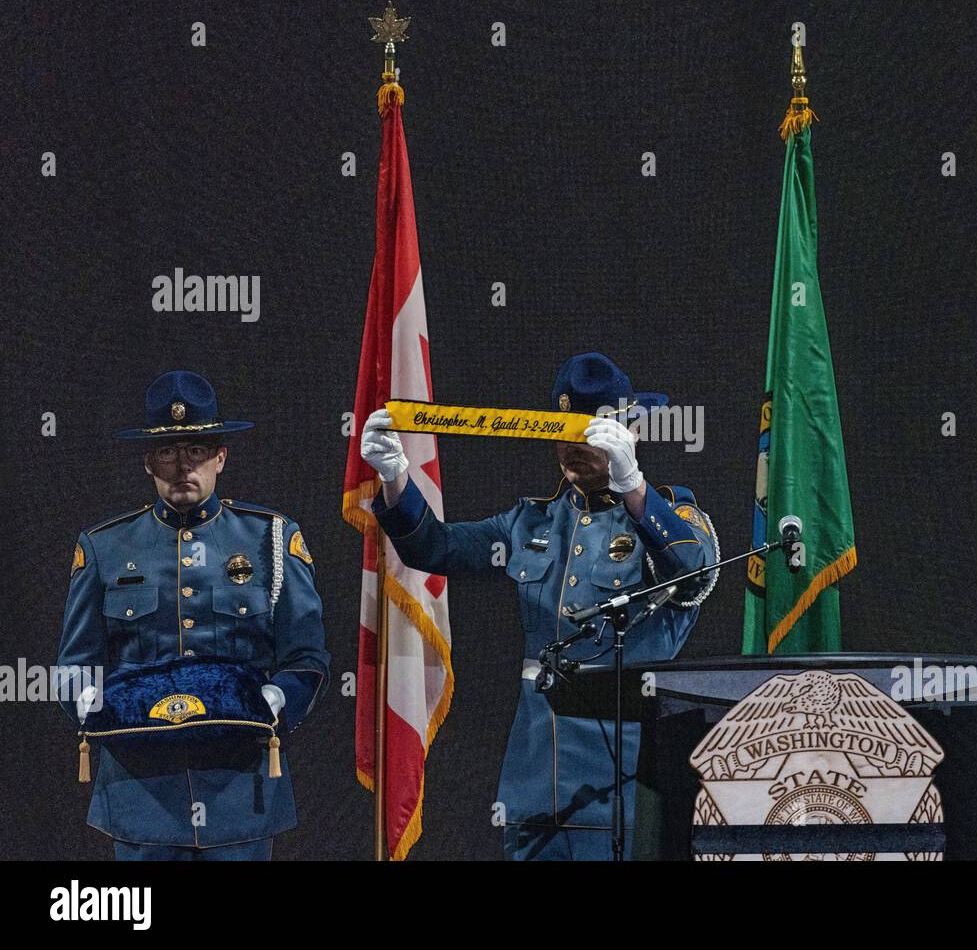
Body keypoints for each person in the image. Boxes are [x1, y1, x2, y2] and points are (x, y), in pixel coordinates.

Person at [361, 352, 717, 860]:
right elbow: (433, 548)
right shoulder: (530, 523)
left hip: (626, 785)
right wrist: (396, 478)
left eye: (586, 432)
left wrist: (634, 488)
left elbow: (693, 574)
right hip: (535, 784)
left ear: (628, 431)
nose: (571, 447)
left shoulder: (671, 513)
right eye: (561, 429)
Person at [56, 370, 330, 860]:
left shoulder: (269, 540)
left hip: (239, 789)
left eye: (196, 450)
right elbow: (75, 663)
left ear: (221, 457)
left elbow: (307, 656)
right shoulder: (104, 546)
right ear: (148, 461)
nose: (182, 465)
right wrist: (85, 697)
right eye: (167, 452)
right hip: (141, 792)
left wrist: (279, 698)